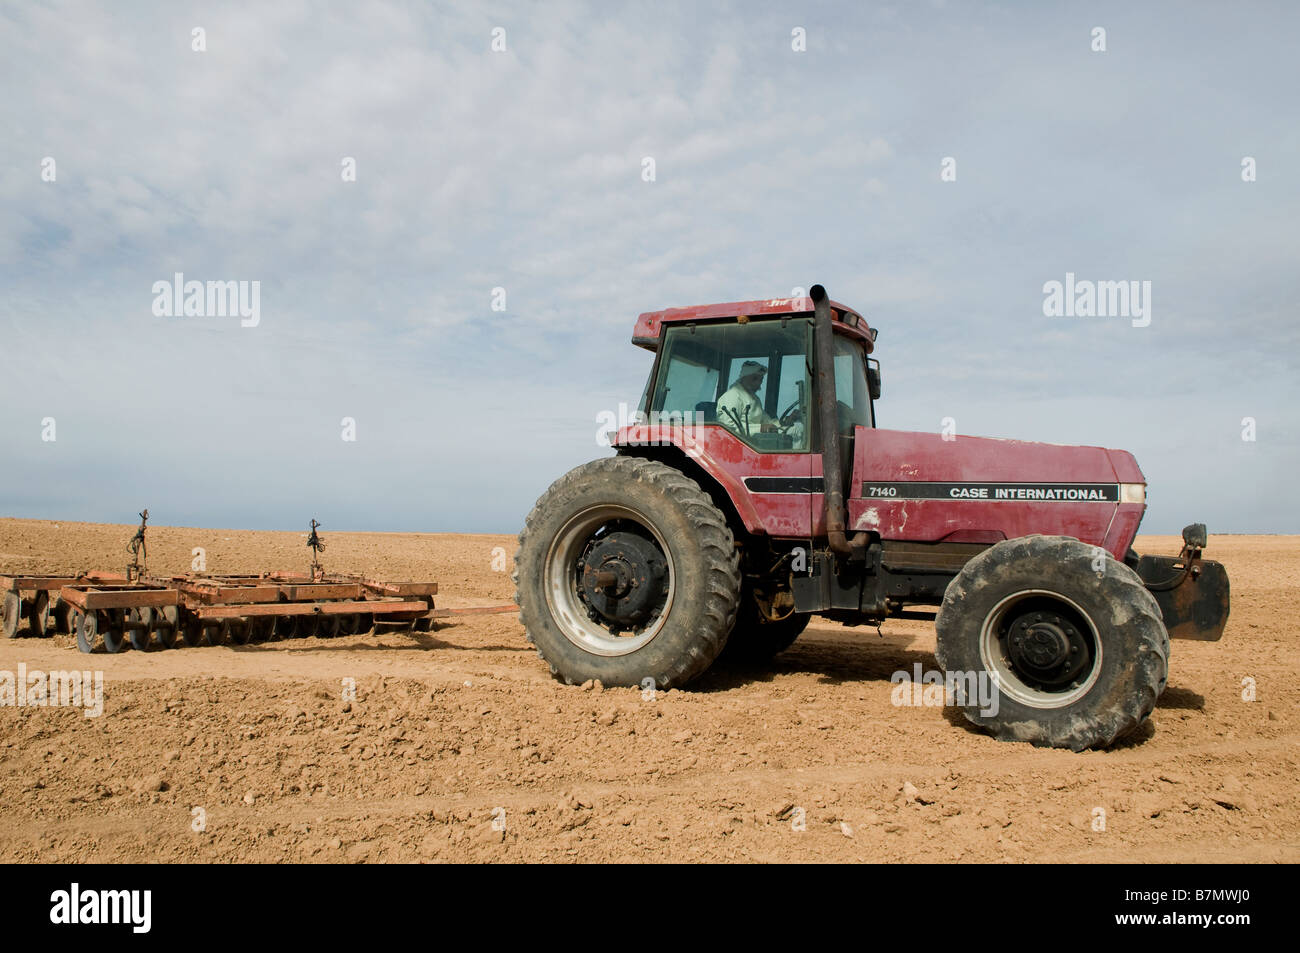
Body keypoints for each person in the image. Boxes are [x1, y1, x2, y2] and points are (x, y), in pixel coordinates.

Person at [717, 360, 800, 439]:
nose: (758, 383)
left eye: (761, 379)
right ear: (744, 377)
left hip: (755, 440)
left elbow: (767, 421)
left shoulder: (755, 399)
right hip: (742, 443)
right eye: (754, 378)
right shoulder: (733, 395)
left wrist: (784, 422)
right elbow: (728, 428)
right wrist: (760, 429)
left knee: (797, 428)